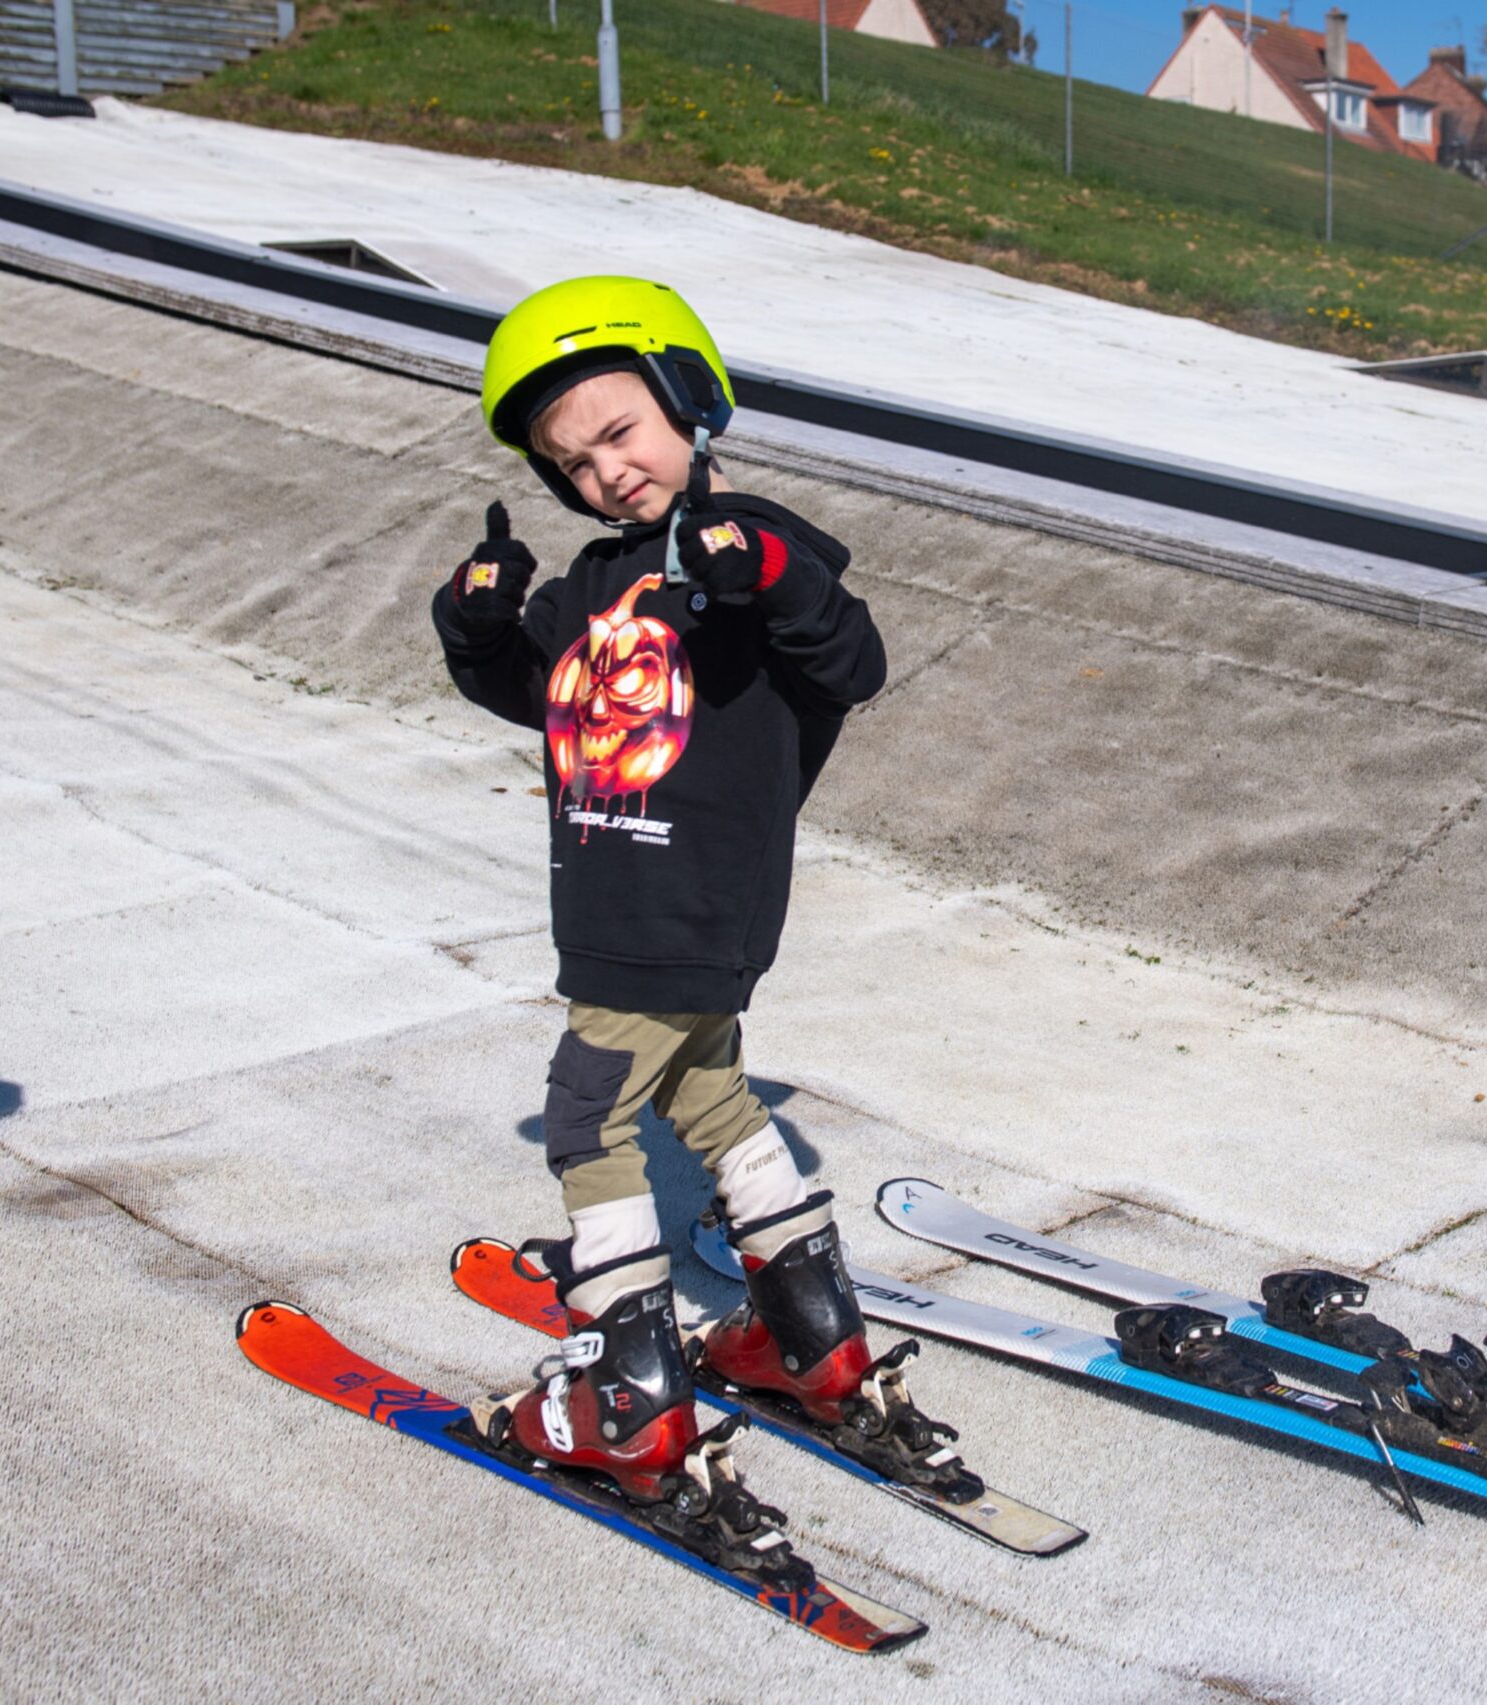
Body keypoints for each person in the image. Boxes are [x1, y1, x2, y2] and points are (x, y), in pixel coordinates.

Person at [433, 276, 889, 1503]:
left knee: (586, 1117)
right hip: (624, 906)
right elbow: (546, 693)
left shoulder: (756, 553)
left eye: (622, 432)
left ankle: (624, 1399)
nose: (606, 473)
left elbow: (851, 661)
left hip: (679, 905)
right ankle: (812, 1337)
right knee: (711, 1098)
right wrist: (480, 630)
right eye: (572, 464)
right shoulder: (595, 577)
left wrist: (771, 571)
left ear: (689, 400)